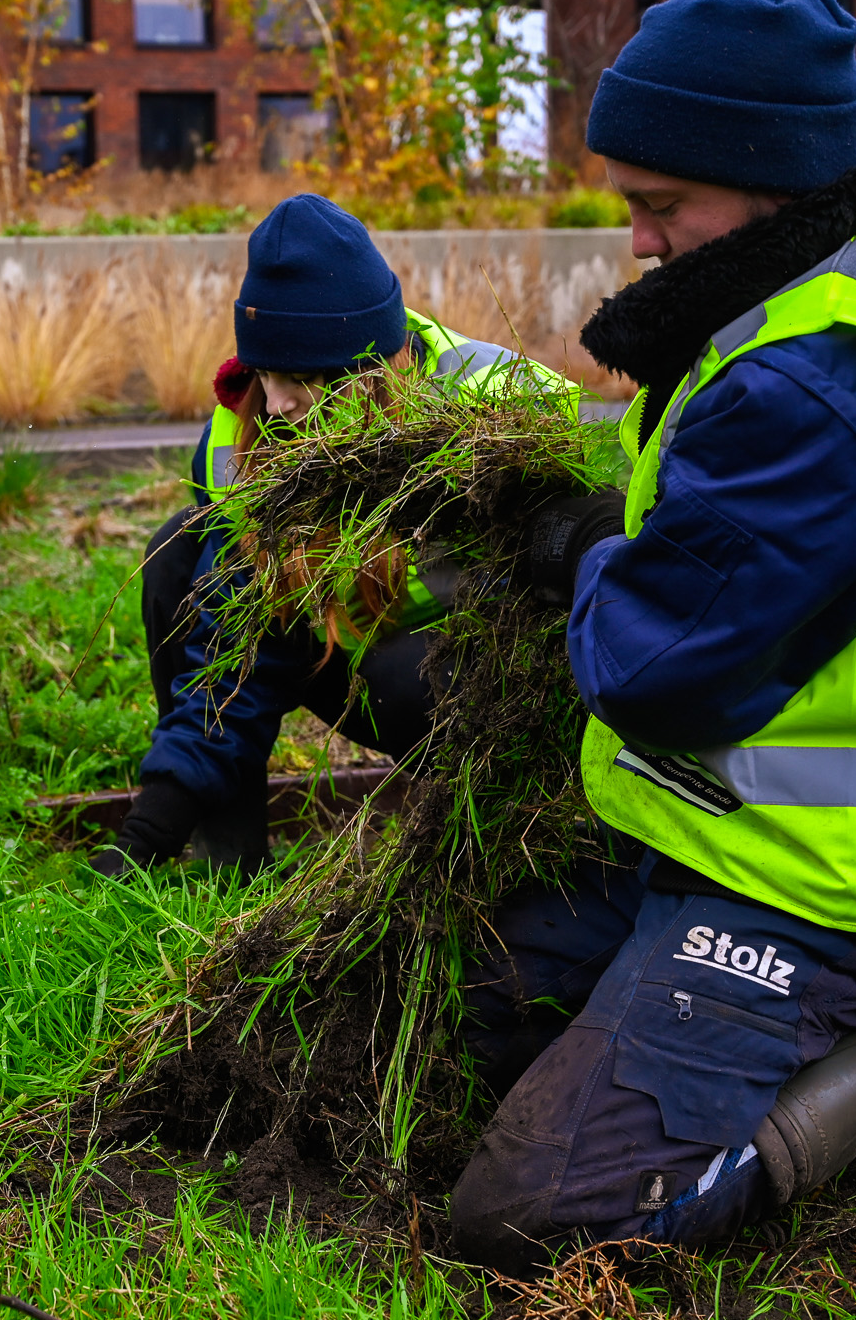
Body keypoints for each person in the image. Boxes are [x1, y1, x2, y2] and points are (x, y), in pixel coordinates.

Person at [446, 0, 856, 1269]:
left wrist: (583, 553)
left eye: (658, 206)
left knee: (540, 1219)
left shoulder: (834, 381)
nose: (636, 243)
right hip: (741, 813)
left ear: (760, 174)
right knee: (470, 1013)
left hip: (854, 870)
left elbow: (651, 666)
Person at [91, 194, 575, 874]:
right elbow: (236, 645)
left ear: (373, 368)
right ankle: (226, 861)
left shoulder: (494, 419)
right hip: (339, 644)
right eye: (264, 372)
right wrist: (146, 830)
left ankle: (481, 857)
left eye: (302, 378)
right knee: (180, 553)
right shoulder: (248, 439)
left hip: (465, 680)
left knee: (423, 671)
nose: (278, 400)